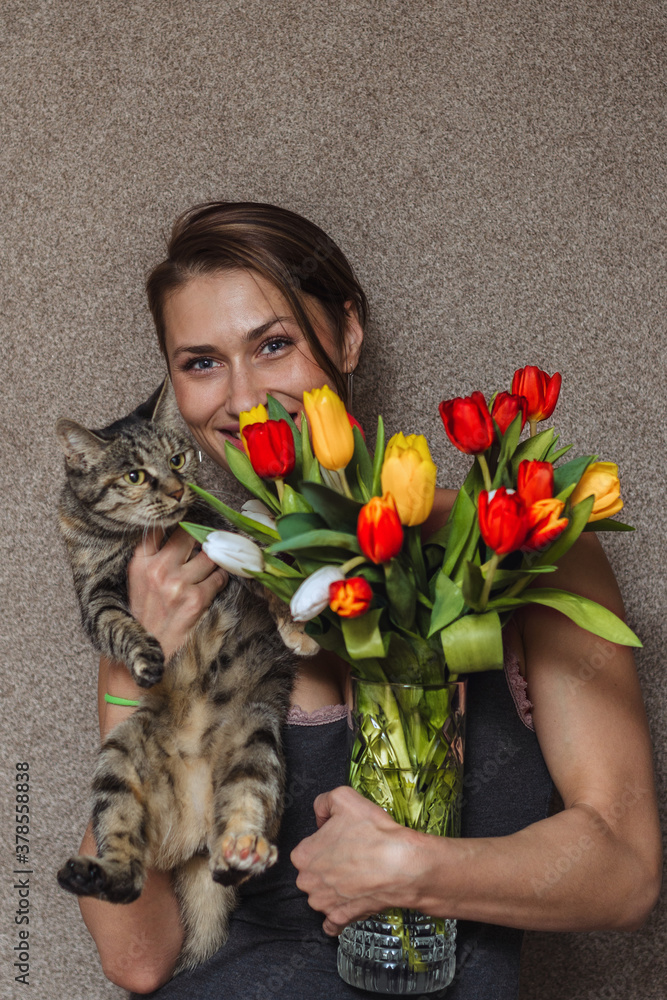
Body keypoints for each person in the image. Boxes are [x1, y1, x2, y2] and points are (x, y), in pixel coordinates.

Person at [75, 202, 661, 998]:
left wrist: (413, 871)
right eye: (201, 363)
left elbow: (623, 875)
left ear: (347, 332)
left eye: (274, 344)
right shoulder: (184, 583)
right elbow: (136, 959)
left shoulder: (512, 542)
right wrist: (131, 676)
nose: (242, 399)